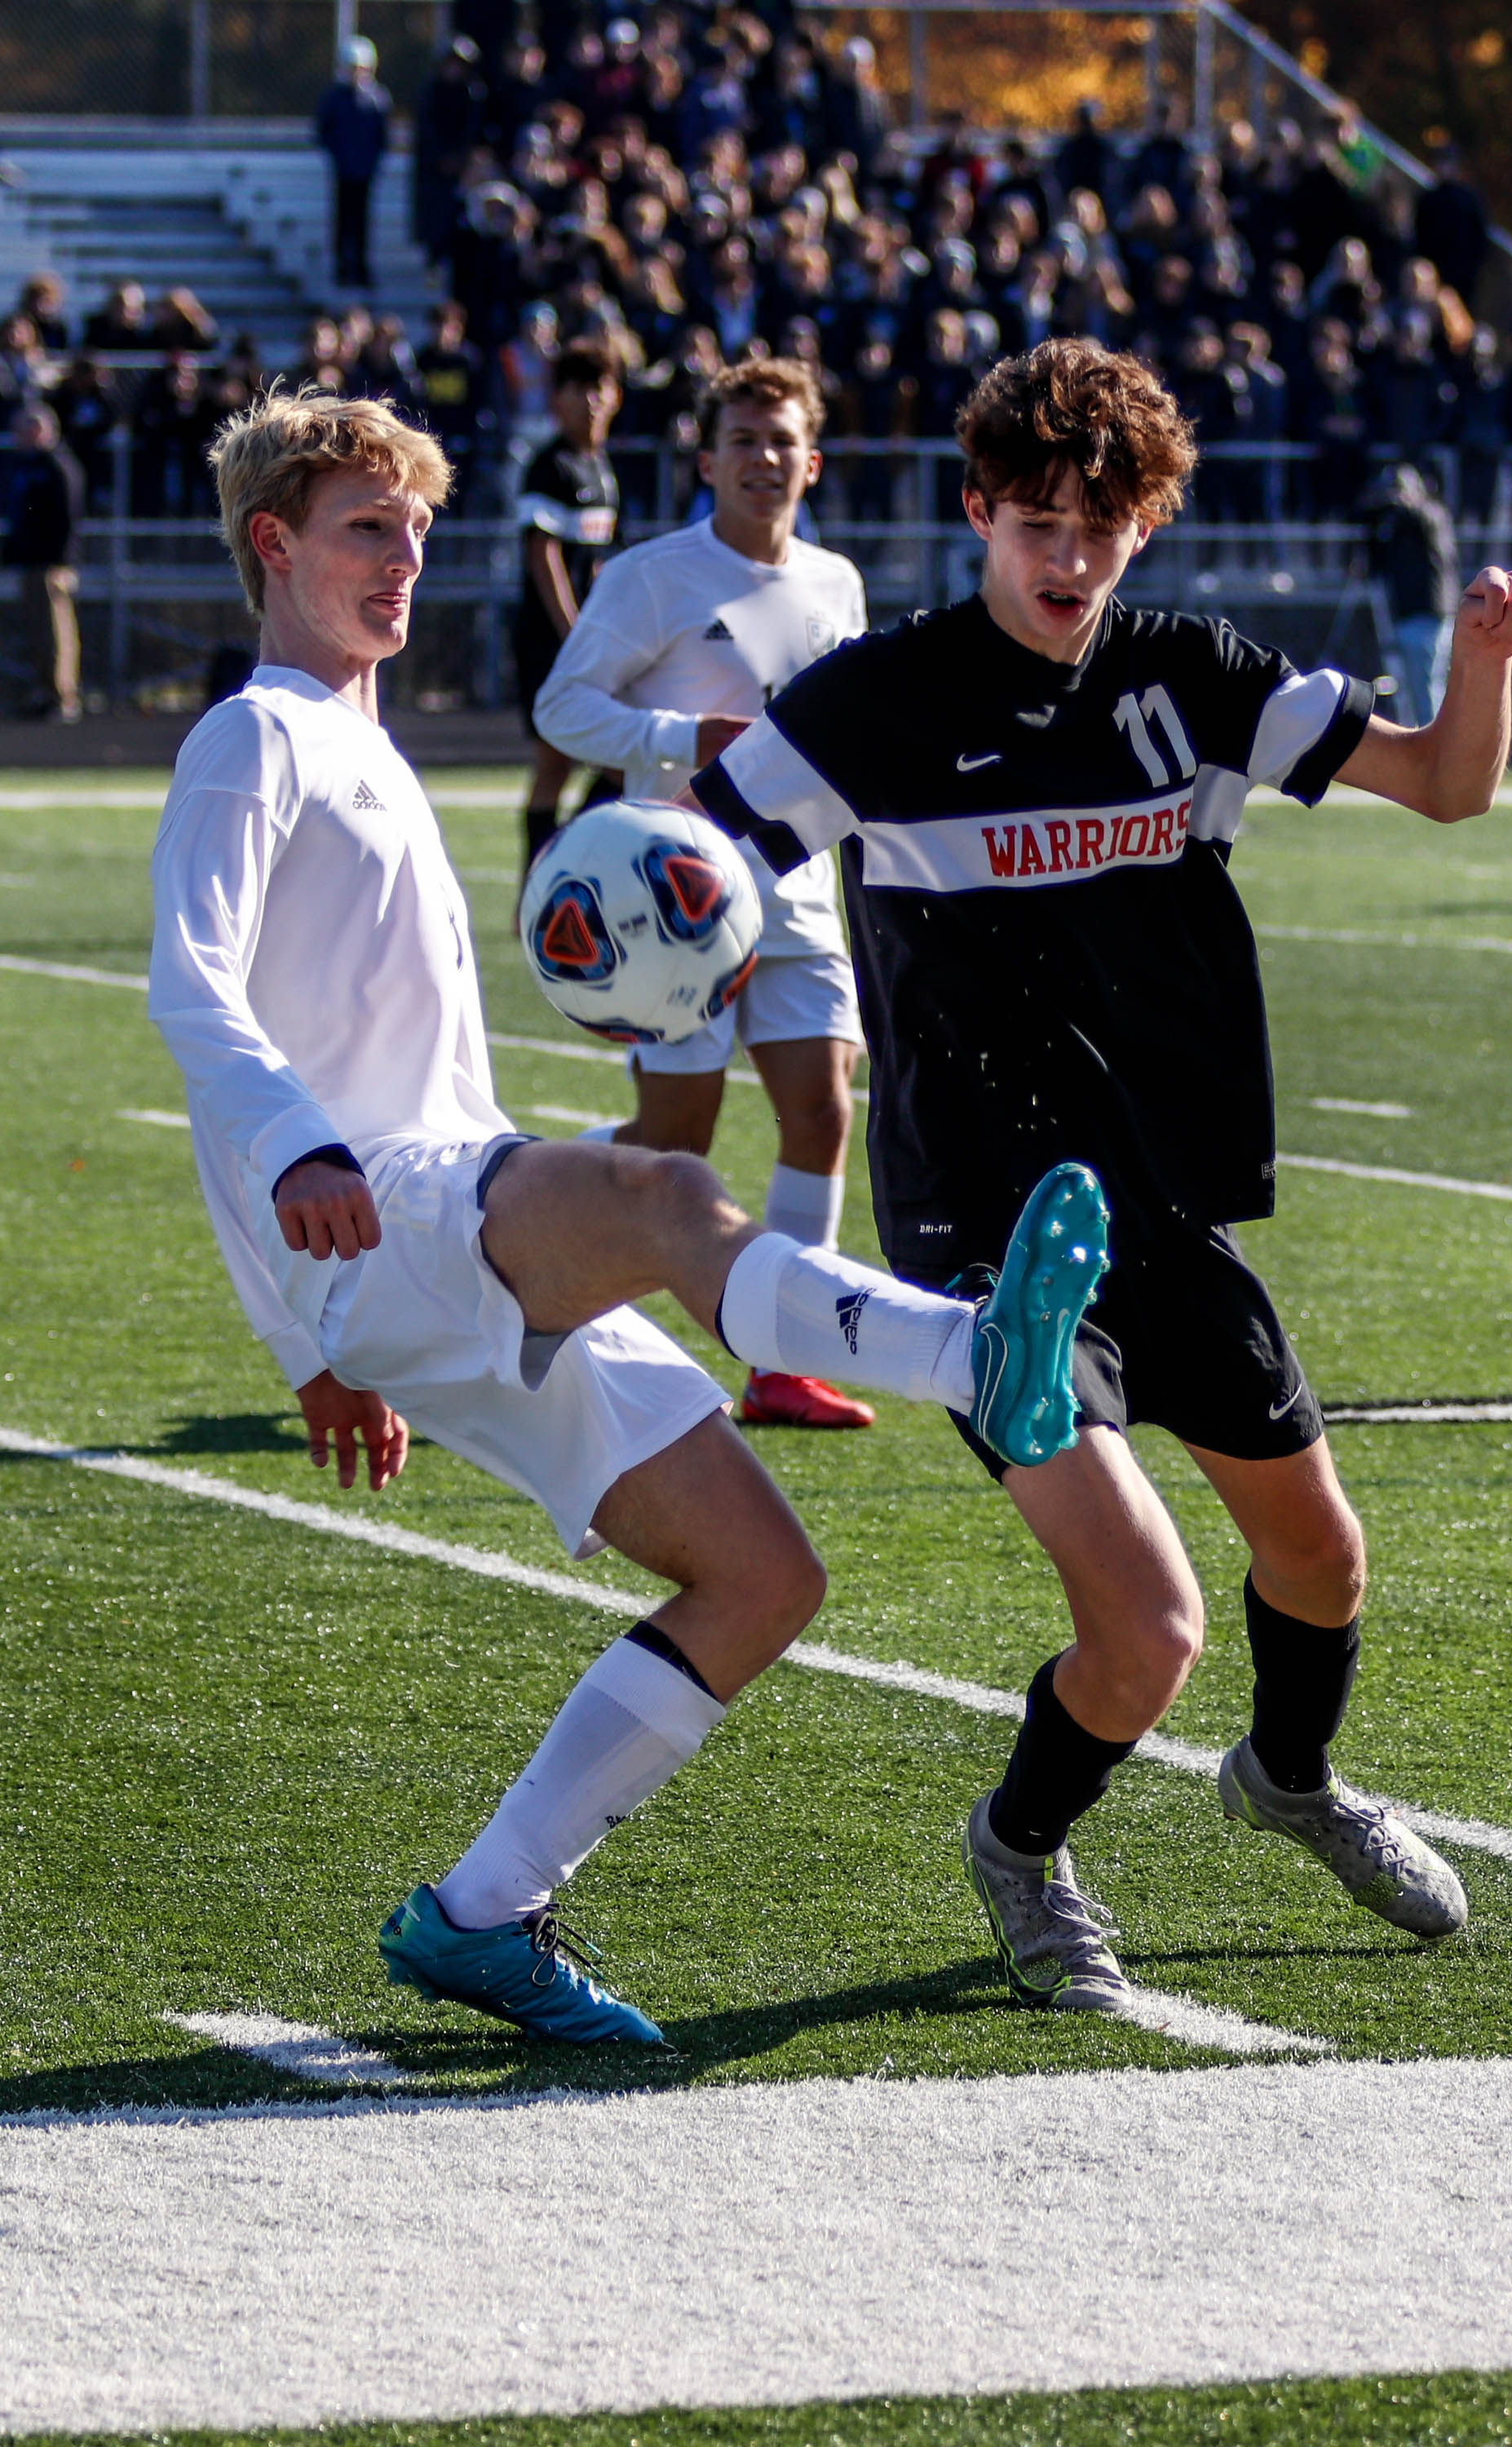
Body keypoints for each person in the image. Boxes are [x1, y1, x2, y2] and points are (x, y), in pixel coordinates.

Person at [147, 386, 1102, 2050]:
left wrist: (310, 1345)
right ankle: (970, 1355)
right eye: (366, 528)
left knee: (760, 1577)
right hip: (385, 1211)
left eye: (414, 528)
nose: (403, 557)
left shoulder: (357, 743)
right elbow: (193, 987)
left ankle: (480, 1915)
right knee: (664, 1189)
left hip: (404, 1249)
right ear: (273, 544)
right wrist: (306, 1182)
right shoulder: (256, 737)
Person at [692, 337, 1512, 2015]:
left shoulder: (1193, 677)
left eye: (1098, 521)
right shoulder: (875, 700)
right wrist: (674, 926)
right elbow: (702, 853)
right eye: (1033, 519)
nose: (1065, 553)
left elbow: (1444, 787)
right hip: (986, 1246)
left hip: (1156, 1200)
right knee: (1147, 1631)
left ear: (1144, 526)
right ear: (976, 514)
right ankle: (1021, 1845)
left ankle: (1288, 1783)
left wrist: (1477, 655)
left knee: (1320, 1562)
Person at [533, 358, 873, 1433]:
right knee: (678, 1136)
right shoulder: (650, 577)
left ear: (811, 461)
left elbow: (848, 739)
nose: (763, 459)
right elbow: (561, 708)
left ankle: (786, 1361)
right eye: (742, 440)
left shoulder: (836, 584)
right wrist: (684, 740)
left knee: (821, 1108)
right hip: (670, 913)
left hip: (797, 892)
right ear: (705, 460)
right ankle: (514, 1226)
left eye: (781, 441)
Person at [515, 338, 623, 874]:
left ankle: (564, 864)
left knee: (618, 766)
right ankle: (539, 883)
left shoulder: (604, 471)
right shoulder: (549, 467)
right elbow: (544, 557)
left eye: (601, 387)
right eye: (579, 387)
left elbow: (603, 563)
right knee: (555, 763)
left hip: (587, 638)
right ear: (556, 398)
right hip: (550, 640)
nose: (592, 400)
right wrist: (576, 635)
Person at [1359, 461, 1460, 728]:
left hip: (1428, 613)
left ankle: (1435, 749)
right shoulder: (1393, 525)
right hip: (1404, 614)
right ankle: (1425, 745)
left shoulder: (1431, 514)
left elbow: (1420, 517)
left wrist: (1401, 504)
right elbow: (1375, 558)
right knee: (1410, 690)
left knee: (1425, 686)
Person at [3, 401, 83, 722]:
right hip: (32, 563)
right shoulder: (26, 466)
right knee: (37, 631)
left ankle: (61, 696)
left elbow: (66, 519)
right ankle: (42, 691)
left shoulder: (57, 466)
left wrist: (60, 561)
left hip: (51, 565)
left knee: (55, 632)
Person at [316, 34, 393, 289]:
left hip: (365, 171)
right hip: (343, 170)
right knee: (343, 220)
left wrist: (372, 162)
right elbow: (323, 132)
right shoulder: (334, 98)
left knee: (362, 222)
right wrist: (339, 155)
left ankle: (361, 268)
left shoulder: (377, 99)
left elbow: (382, 137)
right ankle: (342, 268)